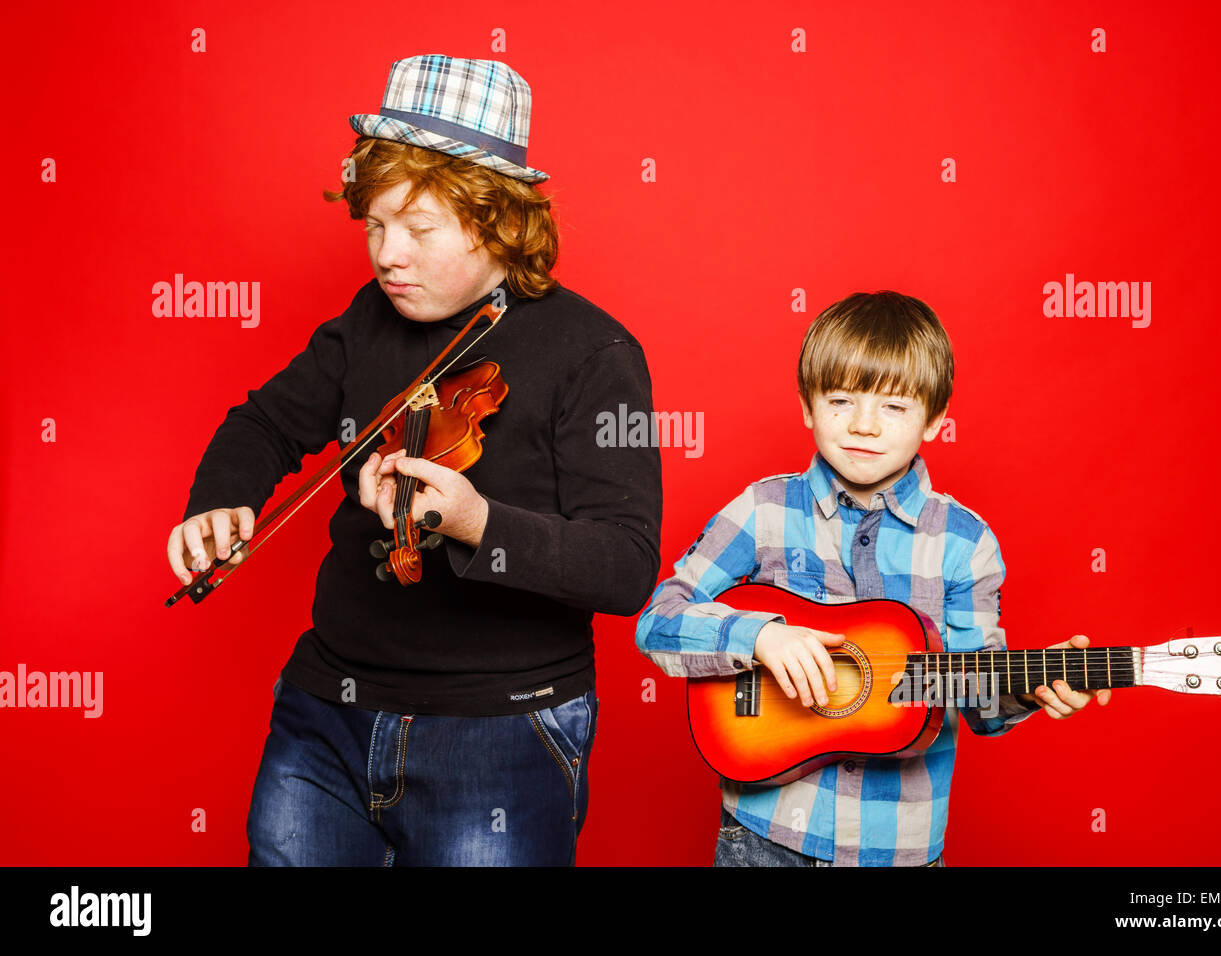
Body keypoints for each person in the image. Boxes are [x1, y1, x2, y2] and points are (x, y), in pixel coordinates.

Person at [165, 55, 662, 866]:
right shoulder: (369, 321)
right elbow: (262, 424)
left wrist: (475, 522)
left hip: (502, 730)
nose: (387, 254)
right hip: (326, 710)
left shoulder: (598, 354)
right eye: (374, 225)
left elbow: (626, 566)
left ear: (498, 220)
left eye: (419, 229)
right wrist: (218, 500)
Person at [635, 291, 1108, 866]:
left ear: (933, 419)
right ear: (808, 406)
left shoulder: (966, 543)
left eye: (894, 407)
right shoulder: (763, 510)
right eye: (840, 400)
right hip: (765, 837)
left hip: (899, 846)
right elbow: (660, 619)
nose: (863, 425)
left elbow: (980, 702)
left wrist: (1031, 688)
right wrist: (760, 637)